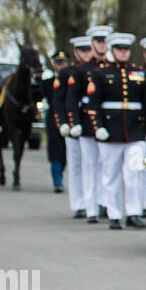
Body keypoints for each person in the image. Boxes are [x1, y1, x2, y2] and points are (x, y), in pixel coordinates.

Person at [85, 32, 146, 230]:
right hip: (111, 132)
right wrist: (98, 128)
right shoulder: (100, 73)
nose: (123, 53)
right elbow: (93, 103)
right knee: (110, 175)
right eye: (119, 50)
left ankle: (133, 212)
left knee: (134, 172)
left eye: (126, 50)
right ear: (113, 51)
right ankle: (114, 214)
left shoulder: (139, 73)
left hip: (135, 132)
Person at [66, 24, 112, 223]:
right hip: (87, 122)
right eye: (98, 42)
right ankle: (89, 205)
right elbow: (71, 99)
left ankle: (105, 202)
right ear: (92, 44)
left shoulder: (113, 67)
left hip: (109, 121)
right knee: (90, 164)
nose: (101, 45)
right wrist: (74, 122)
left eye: (104, 41)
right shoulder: (81, 70)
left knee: (108, 165)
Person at [57, 36, 93, 218]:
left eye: (89, 50)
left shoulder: (97, 69)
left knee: (94, 165)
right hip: (74, 122)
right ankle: (79, 202)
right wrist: (64, 122)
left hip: (91, 123)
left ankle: (95, 201)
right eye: (83, 50)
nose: (87, 54)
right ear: (77, 52)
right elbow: (61, 101)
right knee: (77, 164)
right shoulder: (66, 73)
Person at [42, 50, 69, 193]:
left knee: (66, 151)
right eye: (58, 63)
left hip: (70, 118)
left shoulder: (73, 80)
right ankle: (57, 180)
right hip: (54, 119)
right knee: (55, 150)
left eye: (63, 63)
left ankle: (61, 172)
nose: (61, 66)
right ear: (53, 65)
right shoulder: (47, 83)